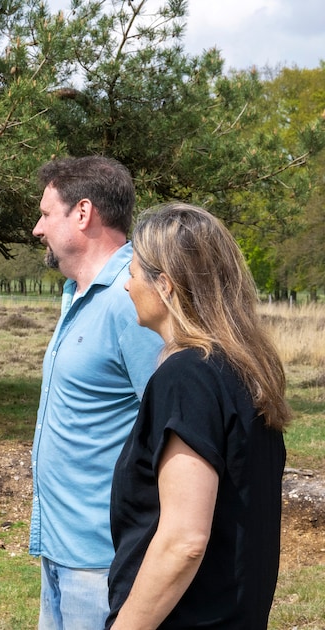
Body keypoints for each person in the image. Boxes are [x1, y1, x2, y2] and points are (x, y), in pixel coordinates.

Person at [106, 203, 289, 628]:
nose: (127, 287)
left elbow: (184, 540)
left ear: (165, 285)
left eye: (132, 274)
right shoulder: (244, 368)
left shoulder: (188, 376)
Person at [29, 156, 165, 629]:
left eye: (46, 214)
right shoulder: (78, 294)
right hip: (62, 553)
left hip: (105, 563)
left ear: (82, 214)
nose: (36, 228)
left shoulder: (133, 299)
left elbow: (173, 427)